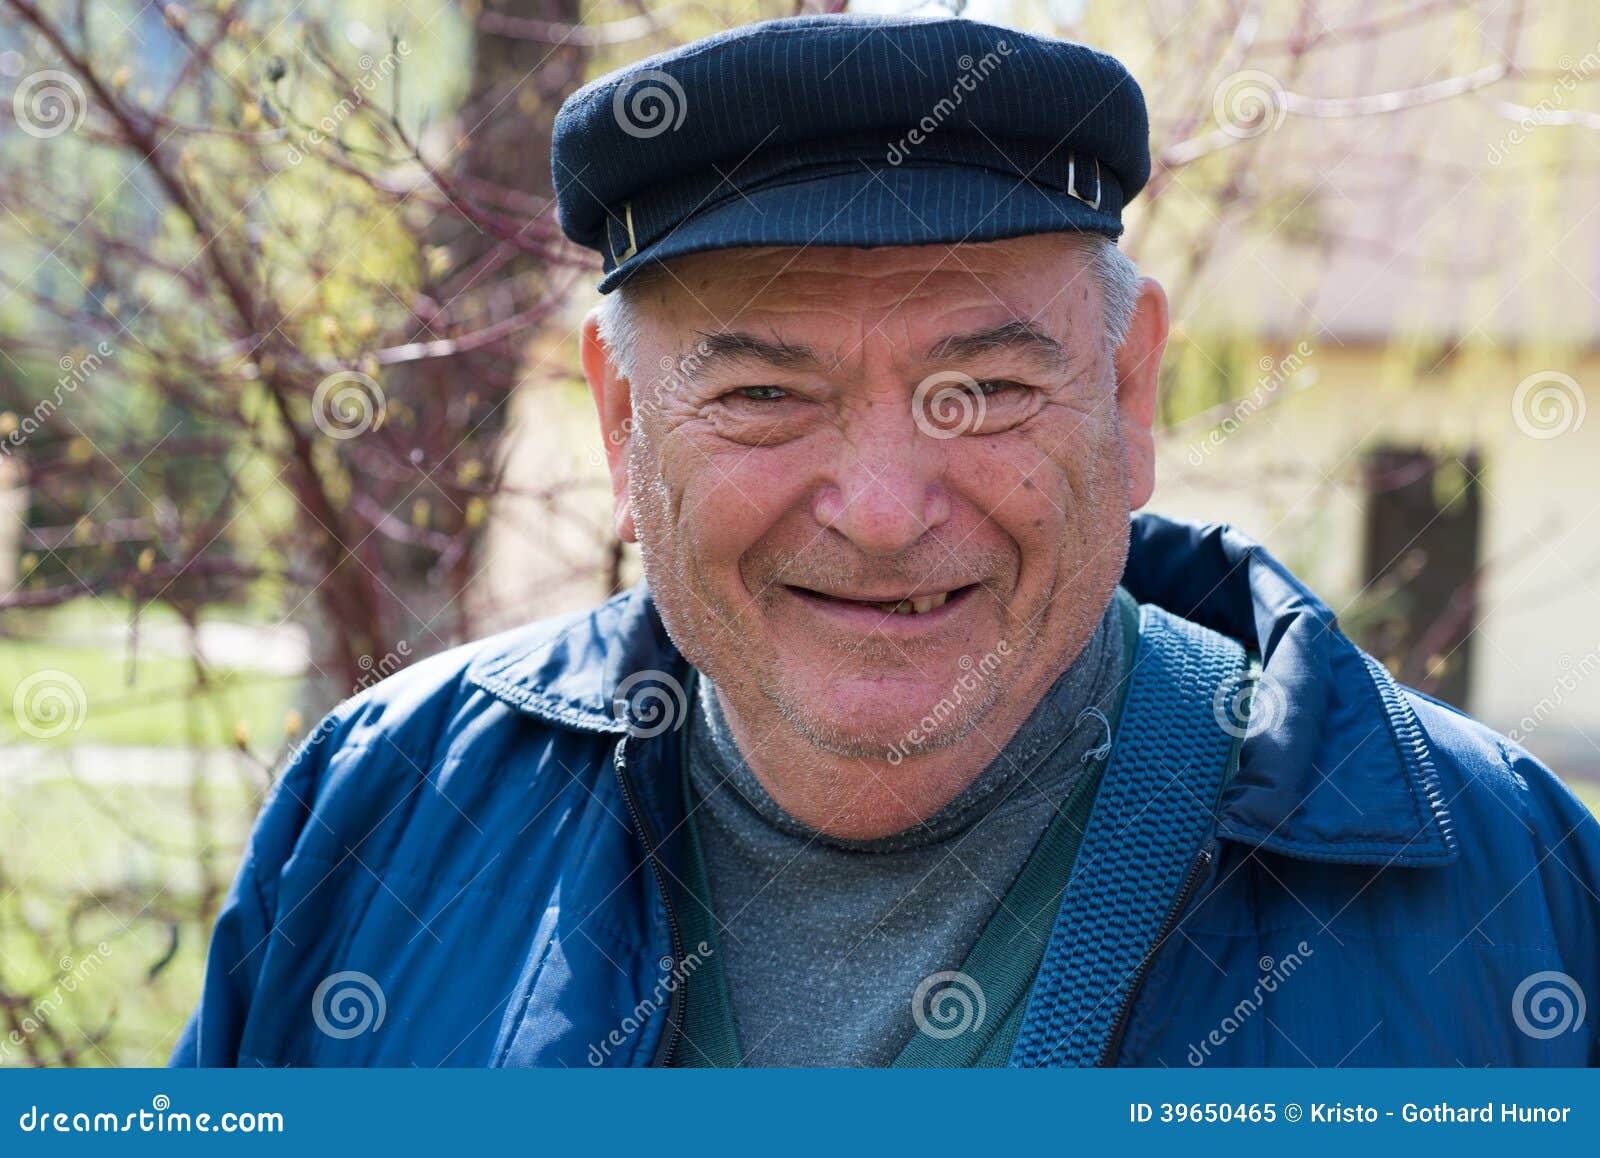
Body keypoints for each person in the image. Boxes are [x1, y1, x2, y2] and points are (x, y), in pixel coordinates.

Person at [173, 14, 1600, 1068]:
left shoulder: (1507, 887)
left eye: (980, 391)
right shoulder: (379, 824)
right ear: (621, 427)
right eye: (762, 393)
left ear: (1125, 390)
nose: (880, 507)